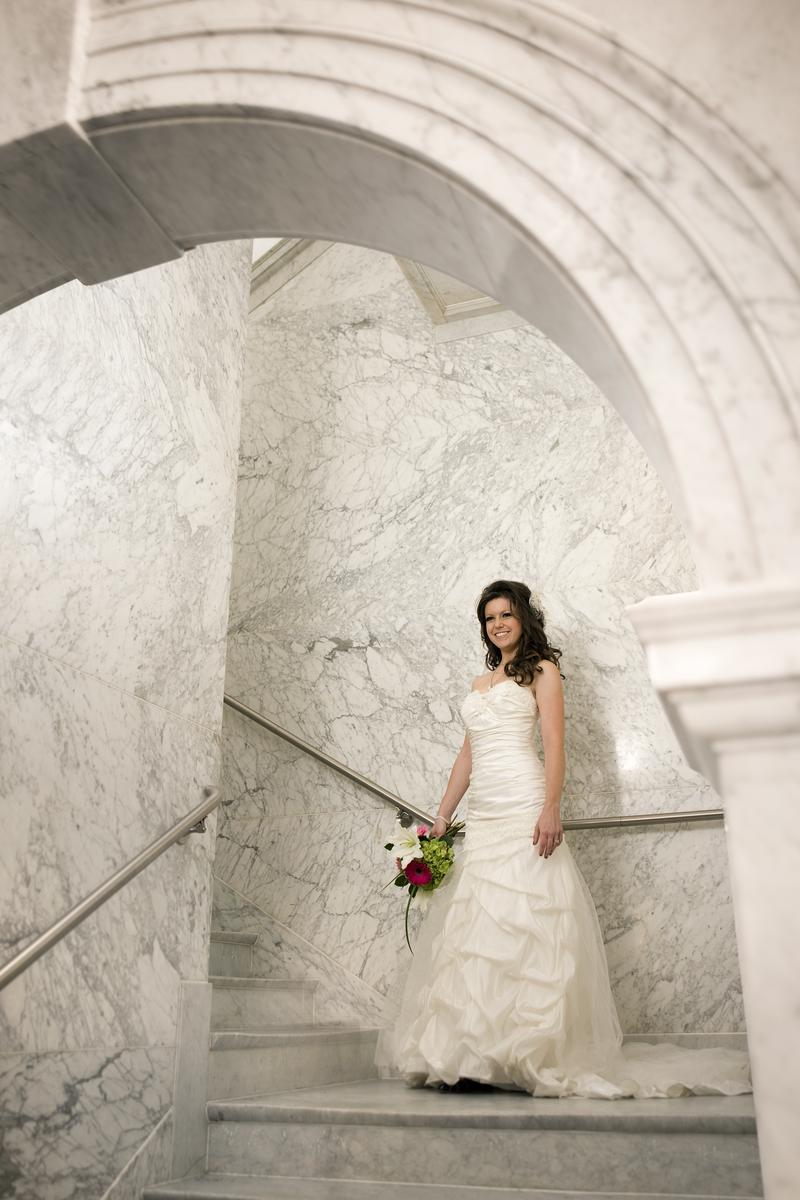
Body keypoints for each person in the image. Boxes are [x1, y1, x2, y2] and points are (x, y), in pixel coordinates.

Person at [375, 580, 752, 1098]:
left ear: (523, 618)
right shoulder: (480, 683)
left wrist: (550, 808)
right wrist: (442, 816)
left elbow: (555, 746)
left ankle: (523, 1050)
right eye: (489, 618)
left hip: (525, 802)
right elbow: (467, 756)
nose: (498, 624)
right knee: (480, 923)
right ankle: (470, 1053)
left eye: (506, 614)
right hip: (484, 812)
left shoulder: (543, 672)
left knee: (527, 918)